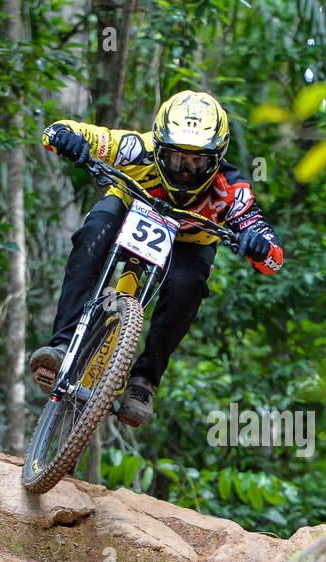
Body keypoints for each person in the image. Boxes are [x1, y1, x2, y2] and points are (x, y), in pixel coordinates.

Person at [30, 90, 284, 426]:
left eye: (198, 162)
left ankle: (144, 381)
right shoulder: (139, 148)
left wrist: (258, 245)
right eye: (176, 158)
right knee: (94, 233)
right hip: (129, 204)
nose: (184, 171)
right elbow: (68, 132)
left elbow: (273, 257)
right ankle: (63, 344)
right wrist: (67, 139)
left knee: (188, 284)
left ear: (218, 158)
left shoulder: (231, 190)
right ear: (158, 147)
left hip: (190, 238)